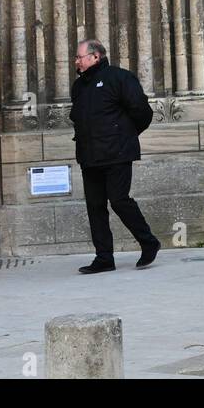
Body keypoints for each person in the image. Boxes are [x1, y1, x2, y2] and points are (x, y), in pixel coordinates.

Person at [69, 39, 160, 274]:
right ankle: (104, 258)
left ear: (95, 57)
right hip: (89, 155)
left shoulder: (120, 78)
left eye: (79, 57)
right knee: (95, 206)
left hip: (117, 152)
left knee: (119, 200)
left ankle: (148, 242)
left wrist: (125, 136)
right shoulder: (78, 87)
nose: (76, 61)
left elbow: (142, 112)